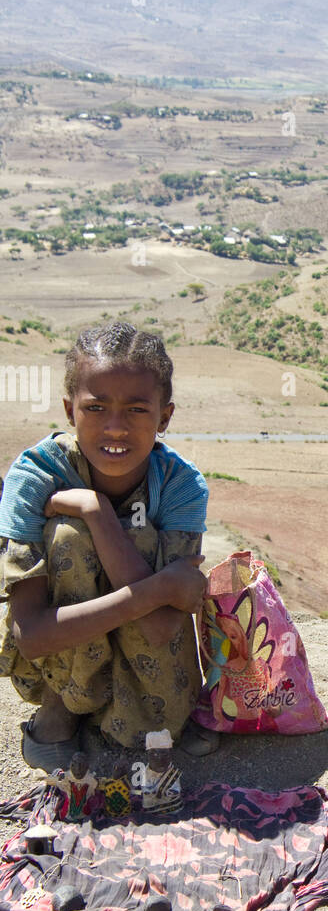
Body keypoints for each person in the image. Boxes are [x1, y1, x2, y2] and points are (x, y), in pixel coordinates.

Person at [0, 320, 217, 770]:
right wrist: (98, 516)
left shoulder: (180, 486)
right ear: (69, 409)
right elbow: (32, 636)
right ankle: (59, 710)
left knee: (134, 537)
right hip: (60, 656)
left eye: (137, 410)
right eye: (96, 408)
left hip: (147, 655)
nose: (115, 428)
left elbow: (160, 630)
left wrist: (101, 517)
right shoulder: (34, 478)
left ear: (165, 416)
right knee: (68, 535)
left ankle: (128, 712)